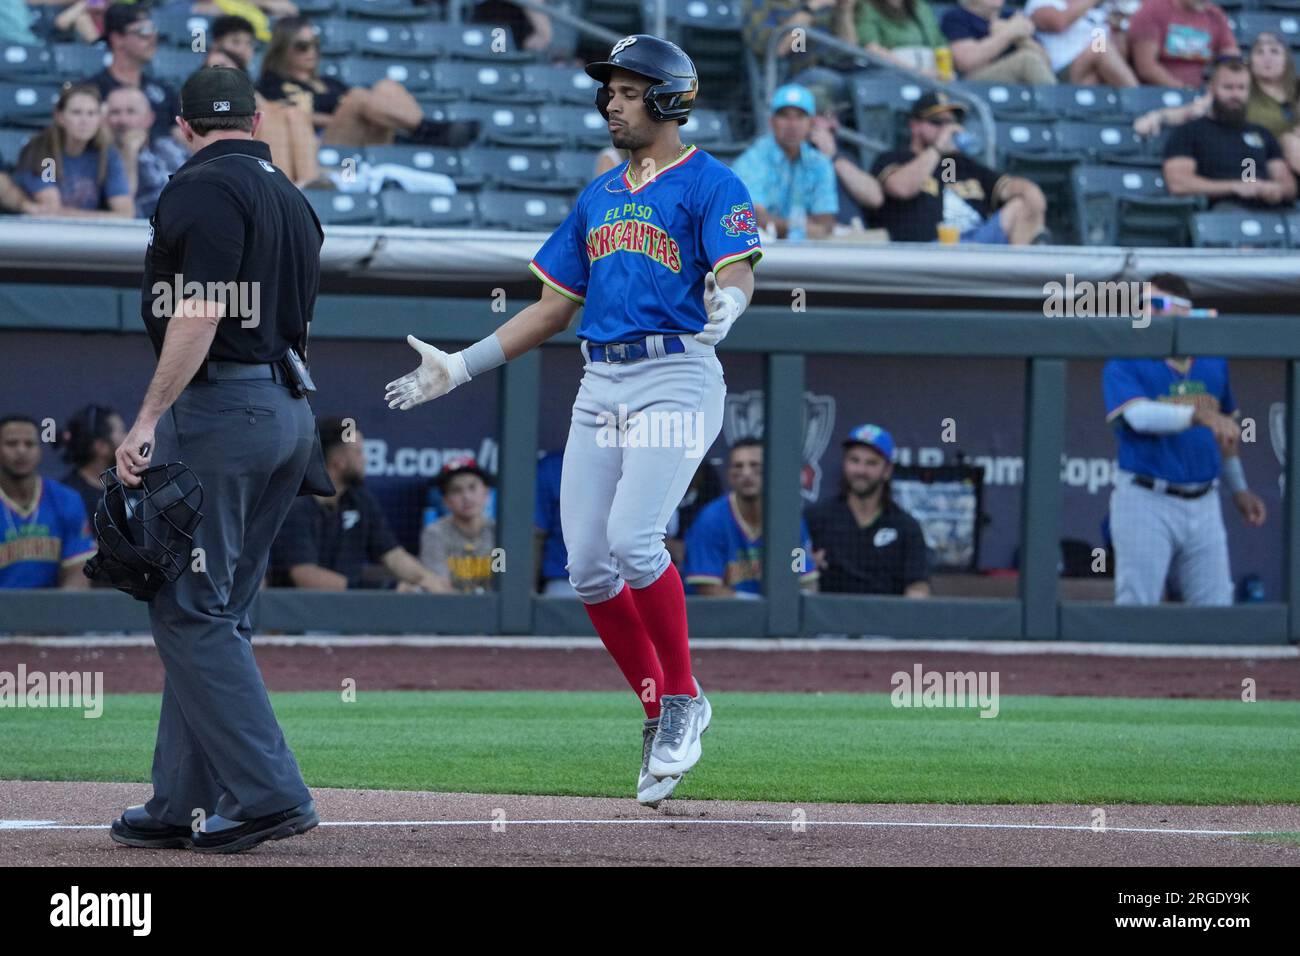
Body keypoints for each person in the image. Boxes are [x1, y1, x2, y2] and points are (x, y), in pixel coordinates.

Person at [384, 36, 762, 808]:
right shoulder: (598, 195)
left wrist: (735, 297)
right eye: (611, 91)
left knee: (633, 540)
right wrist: (459, 366)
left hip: (675, 374)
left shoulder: (711, 183)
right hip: (602, 381)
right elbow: (555, 307)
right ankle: (656, 707)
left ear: (669, 99)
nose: (611, 102)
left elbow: (737, 267)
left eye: (628, 91)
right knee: (586, 565)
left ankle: (687, 696)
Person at [108, 67, 325, 854]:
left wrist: (147, 418)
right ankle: (181, 803)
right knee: (213, 610)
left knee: (190, 611)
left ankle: (271, 795)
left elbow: (199, 311)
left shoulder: (198, 186)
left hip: (222, 411)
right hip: (286, 411)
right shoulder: (294, 197)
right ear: (258, 118)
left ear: (184, 124)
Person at [1102, 274, 1266, 606]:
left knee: (1216, 611)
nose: (1147, 313)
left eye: (1156, 305)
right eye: (1142, 305)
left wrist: (1239, 488)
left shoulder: (1212, 360)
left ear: (1185, 311)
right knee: (1137, 607)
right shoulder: (1125, 358)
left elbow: (1227, 430)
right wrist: (1197, 415)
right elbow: (1138, 416)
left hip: (1205, 499)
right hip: (1146, 497)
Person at [269, 418, 444, 591]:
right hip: (294, 611)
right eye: (359, 452)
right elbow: (306, 576)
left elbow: (393, 556)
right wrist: (382, 589)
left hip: (348, 610)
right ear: (339, 461)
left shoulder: (360, 500)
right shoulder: (295, 504)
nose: (365, 459)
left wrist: (430, 581)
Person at [870, 92, 1048, 243]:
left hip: (978, 245)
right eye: (937, 122)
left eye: (951, 122)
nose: (947, 129)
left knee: (1025, 203)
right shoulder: (895, 159)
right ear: (914, 126)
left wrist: (1031, 193)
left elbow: (1010, 188)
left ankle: (1019, 278)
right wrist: (938, 149)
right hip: (927, 253)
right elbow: (901, 188)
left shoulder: (959, 164)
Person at [257, 16, 431, 148]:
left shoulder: (330, 82)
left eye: (316, 45)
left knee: (387, 86)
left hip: (360, 143)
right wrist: (339, 118)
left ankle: (422, 131)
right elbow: (282, 117)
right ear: (282, 49)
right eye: (303, 46)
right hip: (321, 150)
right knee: (358, 97)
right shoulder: (272, 82)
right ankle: (426, 130)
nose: (312, 52)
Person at [684, 438, 819, 597]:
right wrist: (759, 607)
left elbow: (805, 581)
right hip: (726, 619)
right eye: (738, 466)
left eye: (755, 465)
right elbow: (707, 589)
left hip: (780, 620)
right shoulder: (711, 521)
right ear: (730, 475)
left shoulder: (788, 521)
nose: (746, 473)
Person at [805, 424, 930, 596]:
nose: (860, 470)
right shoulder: (815, 519)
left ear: (887, 470)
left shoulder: (906, 527)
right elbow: (790, 571)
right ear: (844, 464)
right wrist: (805, 567)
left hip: (886, 620)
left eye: (871, 463)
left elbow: (917, 588)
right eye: (854, 460)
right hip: (827, 620)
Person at [1162, 57, 1296, 210]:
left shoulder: (1261, 133)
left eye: (1241, 88)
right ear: (1211, 89)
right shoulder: (1189, 132)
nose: (1235, 95)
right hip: (1221, 212)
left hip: (1269, 209)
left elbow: (1287, 184)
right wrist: (1234, 187)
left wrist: (1277, 189)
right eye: (1228, 87)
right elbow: (1179, 183)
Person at [1135, 34, 1300, 141]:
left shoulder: (1297, 88)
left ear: (1287, 60)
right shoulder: (1238, 89)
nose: (1267, 58)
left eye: (1274, 52)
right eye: (1259, 53)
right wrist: (1156, 117)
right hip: (1254, 160)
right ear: (1250, 61)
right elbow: (1193, 111)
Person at [0, 415, 95, 589]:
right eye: (11, 444)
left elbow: (77, 570)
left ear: (39, 451)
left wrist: (62, 612)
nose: (21, 451)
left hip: (50, 611)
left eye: (29, 444)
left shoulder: (66, 499)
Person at [205, 47, 321, 188]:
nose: (216, 72)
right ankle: (285, 187)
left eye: (221, 66)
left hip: (251, 149)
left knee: (294, 114)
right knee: (268, 117)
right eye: (208, 68)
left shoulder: (251, 94)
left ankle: (308, 182)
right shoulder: (198, 100)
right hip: (227, 155)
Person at [733, 84, 838, 239]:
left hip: (808, 254)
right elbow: (753, 217)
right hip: (759, 251)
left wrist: (778, 224)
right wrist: (801, 226)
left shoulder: (819, 162)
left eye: (800, 116)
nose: (792, 124)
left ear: (811, 123)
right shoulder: (753, 158)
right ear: (772, 121)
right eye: (784, 116)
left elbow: (826, 223)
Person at [14, 84, 133, 218]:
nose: (84, 121)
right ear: (60, 117)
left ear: (100, 118)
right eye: (76, 112)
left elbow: (125, 212)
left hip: (93, 235)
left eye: (91, 113)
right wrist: (106, 217)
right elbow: (51, 211)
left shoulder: (107, 154)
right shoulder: (44, 152)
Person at [87, 5, 184, 144]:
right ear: (117, 39)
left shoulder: (165, 91)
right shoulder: (92, 90)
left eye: (154, 31)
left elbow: (180, 136)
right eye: (144, 32)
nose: (152, 38)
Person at [104, 86, 188, 219]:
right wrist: (129, 153)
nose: (123, 120)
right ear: (104, 118)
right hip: (136, 233)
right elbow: (123, 205)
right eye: (115, 112)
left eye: (131, 112)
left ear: (149, 118)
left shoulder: (171, 149)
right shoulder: (102, 155)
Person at [420, 457, 497, 593]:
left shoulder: (499, 533)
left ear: (486, 493)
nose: (466, 496)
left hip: (494, 610)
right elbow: (438, 586)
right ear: (446, 500)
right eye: (456, 490)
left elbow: (502, 582)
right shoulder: (435, 533)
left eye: (472, 488)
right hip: (449, 609)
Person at [942, 0, 1057, 85]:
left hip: (1020, 84)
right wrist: (1009, 32)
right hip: (975, 81)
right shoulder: (957, 17)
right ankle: (1057, 106)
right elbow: (965, 62)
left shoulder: (1012, 16)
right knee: (1027, 60)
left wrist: (1021, 38)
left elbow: (1046, 62)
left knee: (1030, 58)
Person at [1025, 0, 1138, 85]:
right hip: (1058, 73)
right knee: (1100, 49)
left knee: (1098, 77)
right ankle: (1141, 103)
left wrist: (1120, 27)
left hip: (1088, 75)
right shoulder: (1041, 2)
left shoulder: (1097, 12)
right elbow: (1059, 22)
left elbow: (1119, 55)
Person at [1127, 0, 1237, 88]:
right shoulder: (1153, 9)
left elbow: (1232, 58)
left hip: (1204, 90)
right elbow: (1147, 67)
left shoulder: (1215, 15)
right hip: (1162, 92)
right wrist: (1184, 89)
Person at [809, 110, 884, 226]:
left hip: (851, 239)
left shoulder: (844, 156)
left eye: (835, 118)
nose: (834, 125)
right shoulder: (794, 156)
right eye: (826, 117)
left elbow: (875, 198)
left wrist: (833, 156)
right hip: (810, 238)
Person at [59, 403, 126, 521]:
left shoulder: (131, 484)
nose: (128, 438)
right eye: (122, 432)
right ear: (101, 446)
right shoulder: (67, 496)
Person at [855, 0, 951, 78]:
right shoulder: (866, 6)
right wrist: (916, 72)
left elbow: (940, 44)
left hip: (932, 71)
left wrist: (945, 70)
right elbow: (872, 48)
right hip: (894, 74)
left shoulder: (920, 6)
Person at [744, 0, 858, 63]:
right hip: (791, 78)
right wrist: (810, 9)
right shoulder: (760, 3)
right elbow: (777, 50)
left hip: (834, 68)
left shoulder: (824, 4)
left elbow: (850, 49)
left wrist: (844, 11)